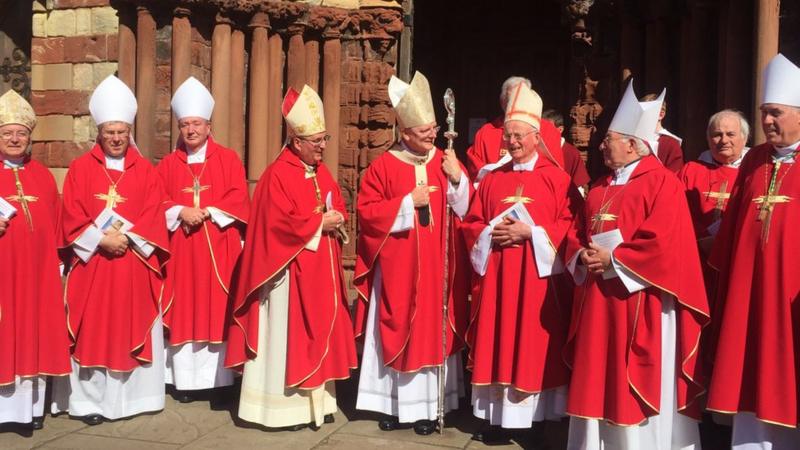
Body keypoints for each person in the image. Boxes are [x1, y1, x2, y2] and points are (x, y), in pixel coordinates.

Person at [564, 80, 709, 449]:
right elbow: (576, 231)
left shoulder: (663, 184)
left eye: (608, 139)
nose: (600, 145)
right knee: (597, 376)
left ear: (632, 143)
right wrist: (581, 254)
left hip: (643, 300)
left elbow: (666, 243)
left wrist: (615, 258)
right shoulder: (599, 186)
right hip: (598, 300)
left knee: (635, 376)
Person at [225, 85, 356, 431]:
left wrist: (337, 218)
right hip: (287, 276)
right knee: (288, 341)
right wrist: (319, 223)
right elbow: (274, 227)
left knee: (318, 337)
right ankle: (283, 409)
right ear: (296, 142)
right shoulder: (275, 175)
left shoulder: (321, 170)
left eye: (324, 139)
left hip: (320, 273)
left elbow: (336, 204)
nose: (323, 147)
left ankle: (320, 404)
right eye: (316, 142)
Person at [461, 83, 582, 442]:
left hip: (537, 284)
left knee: (532, 344)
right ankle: (496, 419)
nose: (510, 142)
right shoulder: (492, 179)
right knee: (498, 340)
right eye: (507, 136)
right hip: (499, 280)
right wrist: (490, 233)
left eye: (517, 136)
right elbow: (472, 223)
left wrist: (531, 234)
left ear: (536, 136)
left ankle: (538, 419)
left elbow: (571, 226)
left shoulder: (558, 180)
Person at [353, 71, 471, 436]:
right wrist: (407, 203)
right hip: (397, 269)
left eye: (434, 128)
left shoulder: (446, 160)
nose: (432, 135)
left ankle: (429, 409)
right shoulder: (383, 166)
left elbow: (467, 208)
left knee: (430, 332)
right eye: (424, 132)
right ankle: (390, 406)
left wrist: (457, 180)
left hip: (437, 268)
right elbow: (367, 213)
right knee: (395, 328)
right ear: (404, 133)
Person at [52, 75, 170, 425]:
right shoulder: (80, 169)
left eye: (121, 132)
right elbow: (70, 212)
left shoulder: (146, 171)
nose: (116, 139)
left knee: (129, 327)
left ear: (129, 131)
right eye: (109, 132)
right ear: (99, 133)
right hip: (95, 267)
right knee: (94, 331)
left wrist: (126, 238)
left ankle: (135, 400)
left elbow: (155, 212)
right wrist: (100, 239)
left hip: (132, 262)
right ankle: (90, 403)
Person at [706, 53, 800, 449]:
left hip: (791, 295)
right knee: (747, 373)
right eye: (763, 113)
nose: (766, 122)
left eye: (775, 113)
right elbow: (731, 230)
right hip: (749, 292)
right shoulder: (755, 161)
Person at [157, 77, 249, 402]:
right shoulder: (167, 165)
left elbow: (240, 198)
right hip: (182, 252)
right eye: (184, 125)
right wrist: (181, 211)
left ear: (208, 126)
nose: (191, 130)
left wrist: (208, 211)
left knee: (218, 308)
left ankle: (221, 382)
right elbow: (155, 203)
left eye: (196, 124)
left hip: (218, 249)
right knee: (184, 307)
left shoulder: (228, 159)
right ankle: (184, 383)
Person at [0, 90, 71, 430]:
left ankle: (27, 412)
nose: (15, 139)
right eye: (7, 133)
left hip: (38, 276)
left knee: (33, 331)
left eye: (21, 133)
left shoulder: (43, 176)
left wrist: (58, 266)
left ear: (30, 138)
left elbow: (57, 226)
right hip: (3, 276)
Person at [466, 76, 531, 183]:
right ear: (502, 102)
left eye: (519, 99)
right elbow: (475, 168)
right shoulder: (486, 133)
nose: (514, 105)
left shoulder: (540, 131)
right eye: (510, 100)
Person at [542, 108, 592, 195]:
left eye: (547, 128)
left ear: (560, 130)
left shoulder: (571, 153)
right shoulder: (537, 150)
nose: (543, 132)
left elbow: (578, 187)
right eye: (541, 128)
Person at [641, 93, 684, 173]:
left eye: (647, 112)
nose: (642, 116)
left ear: (661, 114)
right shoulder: (634, 139)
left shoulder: (671, 143)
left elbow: (674, 175)